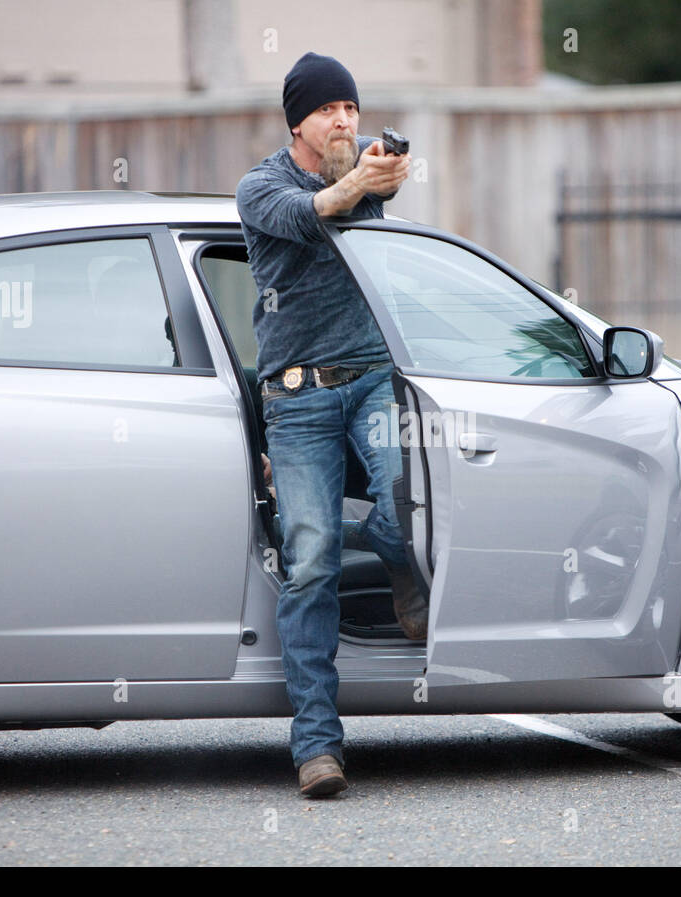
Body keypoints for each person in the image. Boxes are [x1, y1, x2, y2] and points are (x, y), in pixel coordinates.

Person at [235, 51, 427, 798]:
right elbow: (315, 213)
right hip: (298, 400)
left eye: (350, 107)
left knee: (409, 507)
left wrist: (386, 171)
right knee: (310, 559)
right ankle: (317, 744)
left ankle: (400, 565)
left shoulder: (364, 171)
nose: (344, 120)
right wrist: (361, 182)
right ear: (298, 124)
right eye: (327, 110)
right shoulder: (262, 188)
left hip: (375, 380)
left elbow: (374, 190)